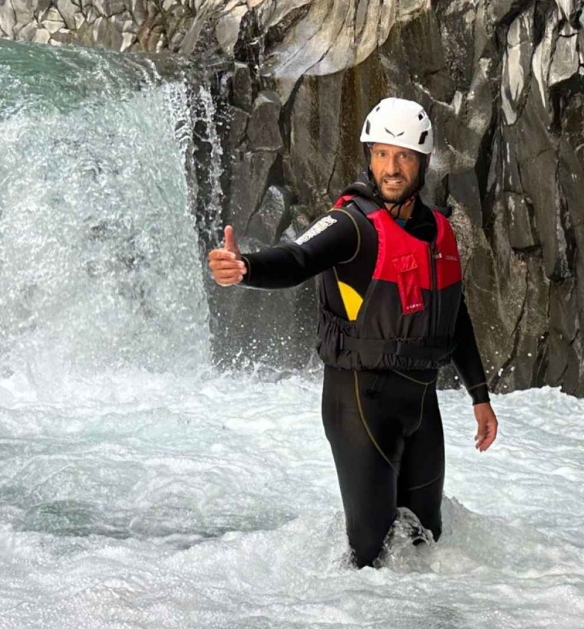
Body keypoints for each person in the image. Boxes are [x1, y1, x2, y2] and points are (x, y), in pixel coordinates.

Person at [207, 97, 498, 567]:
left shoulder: (440, 232)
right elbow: (296, 258)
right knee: (370, 555)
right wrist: (245, 268)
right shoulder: (351, 225)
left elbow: (455, 316)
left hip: (422, 404)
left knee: (427, 543)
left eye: (402, 156)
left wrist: (479, 397)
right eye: (381, 154)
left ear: (422, 163)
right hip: (361, 402)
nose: (391, 167)